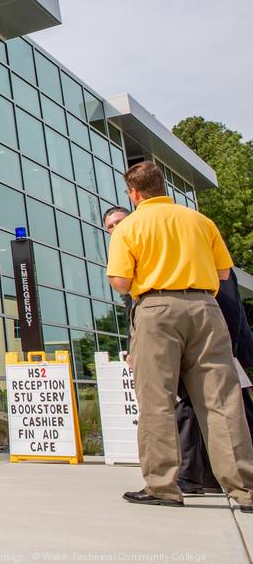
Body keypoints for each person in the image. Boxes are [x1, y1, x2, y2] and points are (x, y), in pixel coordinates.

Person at [106, 161, 253, 510]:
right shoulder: (200, 221)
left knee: (156, 400)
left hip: (156, 309)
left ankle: (162, 487)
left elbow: (121, 282)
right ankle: (245, 489)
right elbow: (222, 272)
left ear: (135, 193)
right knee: (221, 399)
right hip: (205, 307)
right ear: (163, 186)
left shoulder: (129, 227)